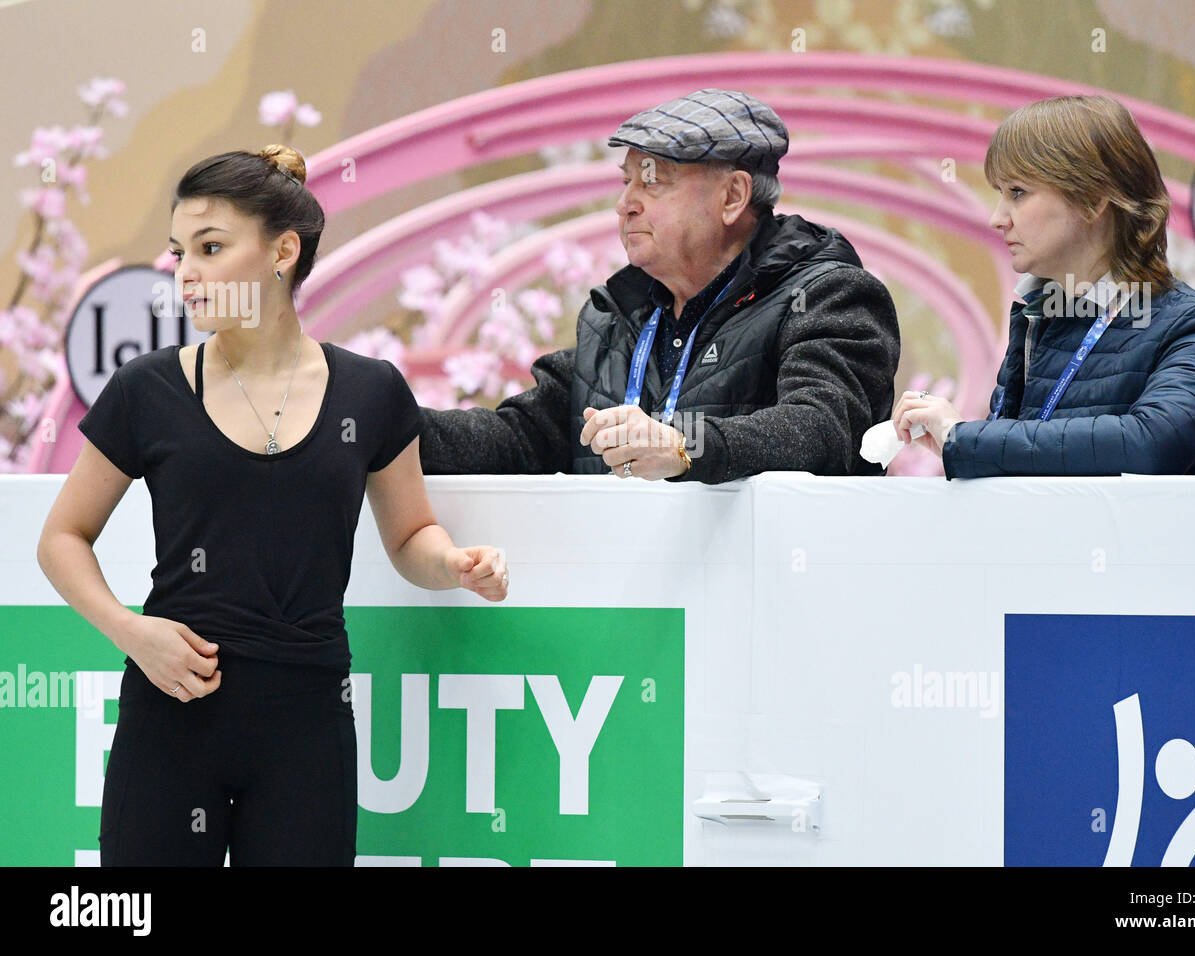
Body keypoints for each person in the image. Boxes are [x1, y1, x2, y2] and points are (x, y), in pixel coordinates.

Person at [35, 145, 509, 866]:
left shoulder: (370, 392)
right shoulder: (146, 389)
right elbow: (62, 538)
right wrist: (134, 634)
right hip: (172, 715)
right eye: (178, 251)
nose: (184, 272)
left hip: (308, 725)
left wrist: (454, 563)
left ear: (283, 251)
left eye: (211, 247)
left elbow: (411, 534)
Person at [419, 89, 901, 482]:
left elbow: (824, 429)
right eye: (625, 182)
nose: (624, 205)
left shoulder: (827, 296)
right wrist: (391, 424)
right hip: (638, 601)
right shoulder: (618, 317)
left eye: (651, 183)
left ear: (732, 196)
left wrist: (684, 442)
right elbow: (521, 438)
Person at [892, 95, 1195, 477]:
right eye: (1000, 194)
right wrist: (960, 440)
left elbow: (1148, 446)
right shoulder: (1040, 319)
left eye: (1017, 192)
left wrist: (966, 439)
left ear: (1094, 200)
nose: (998, 218)